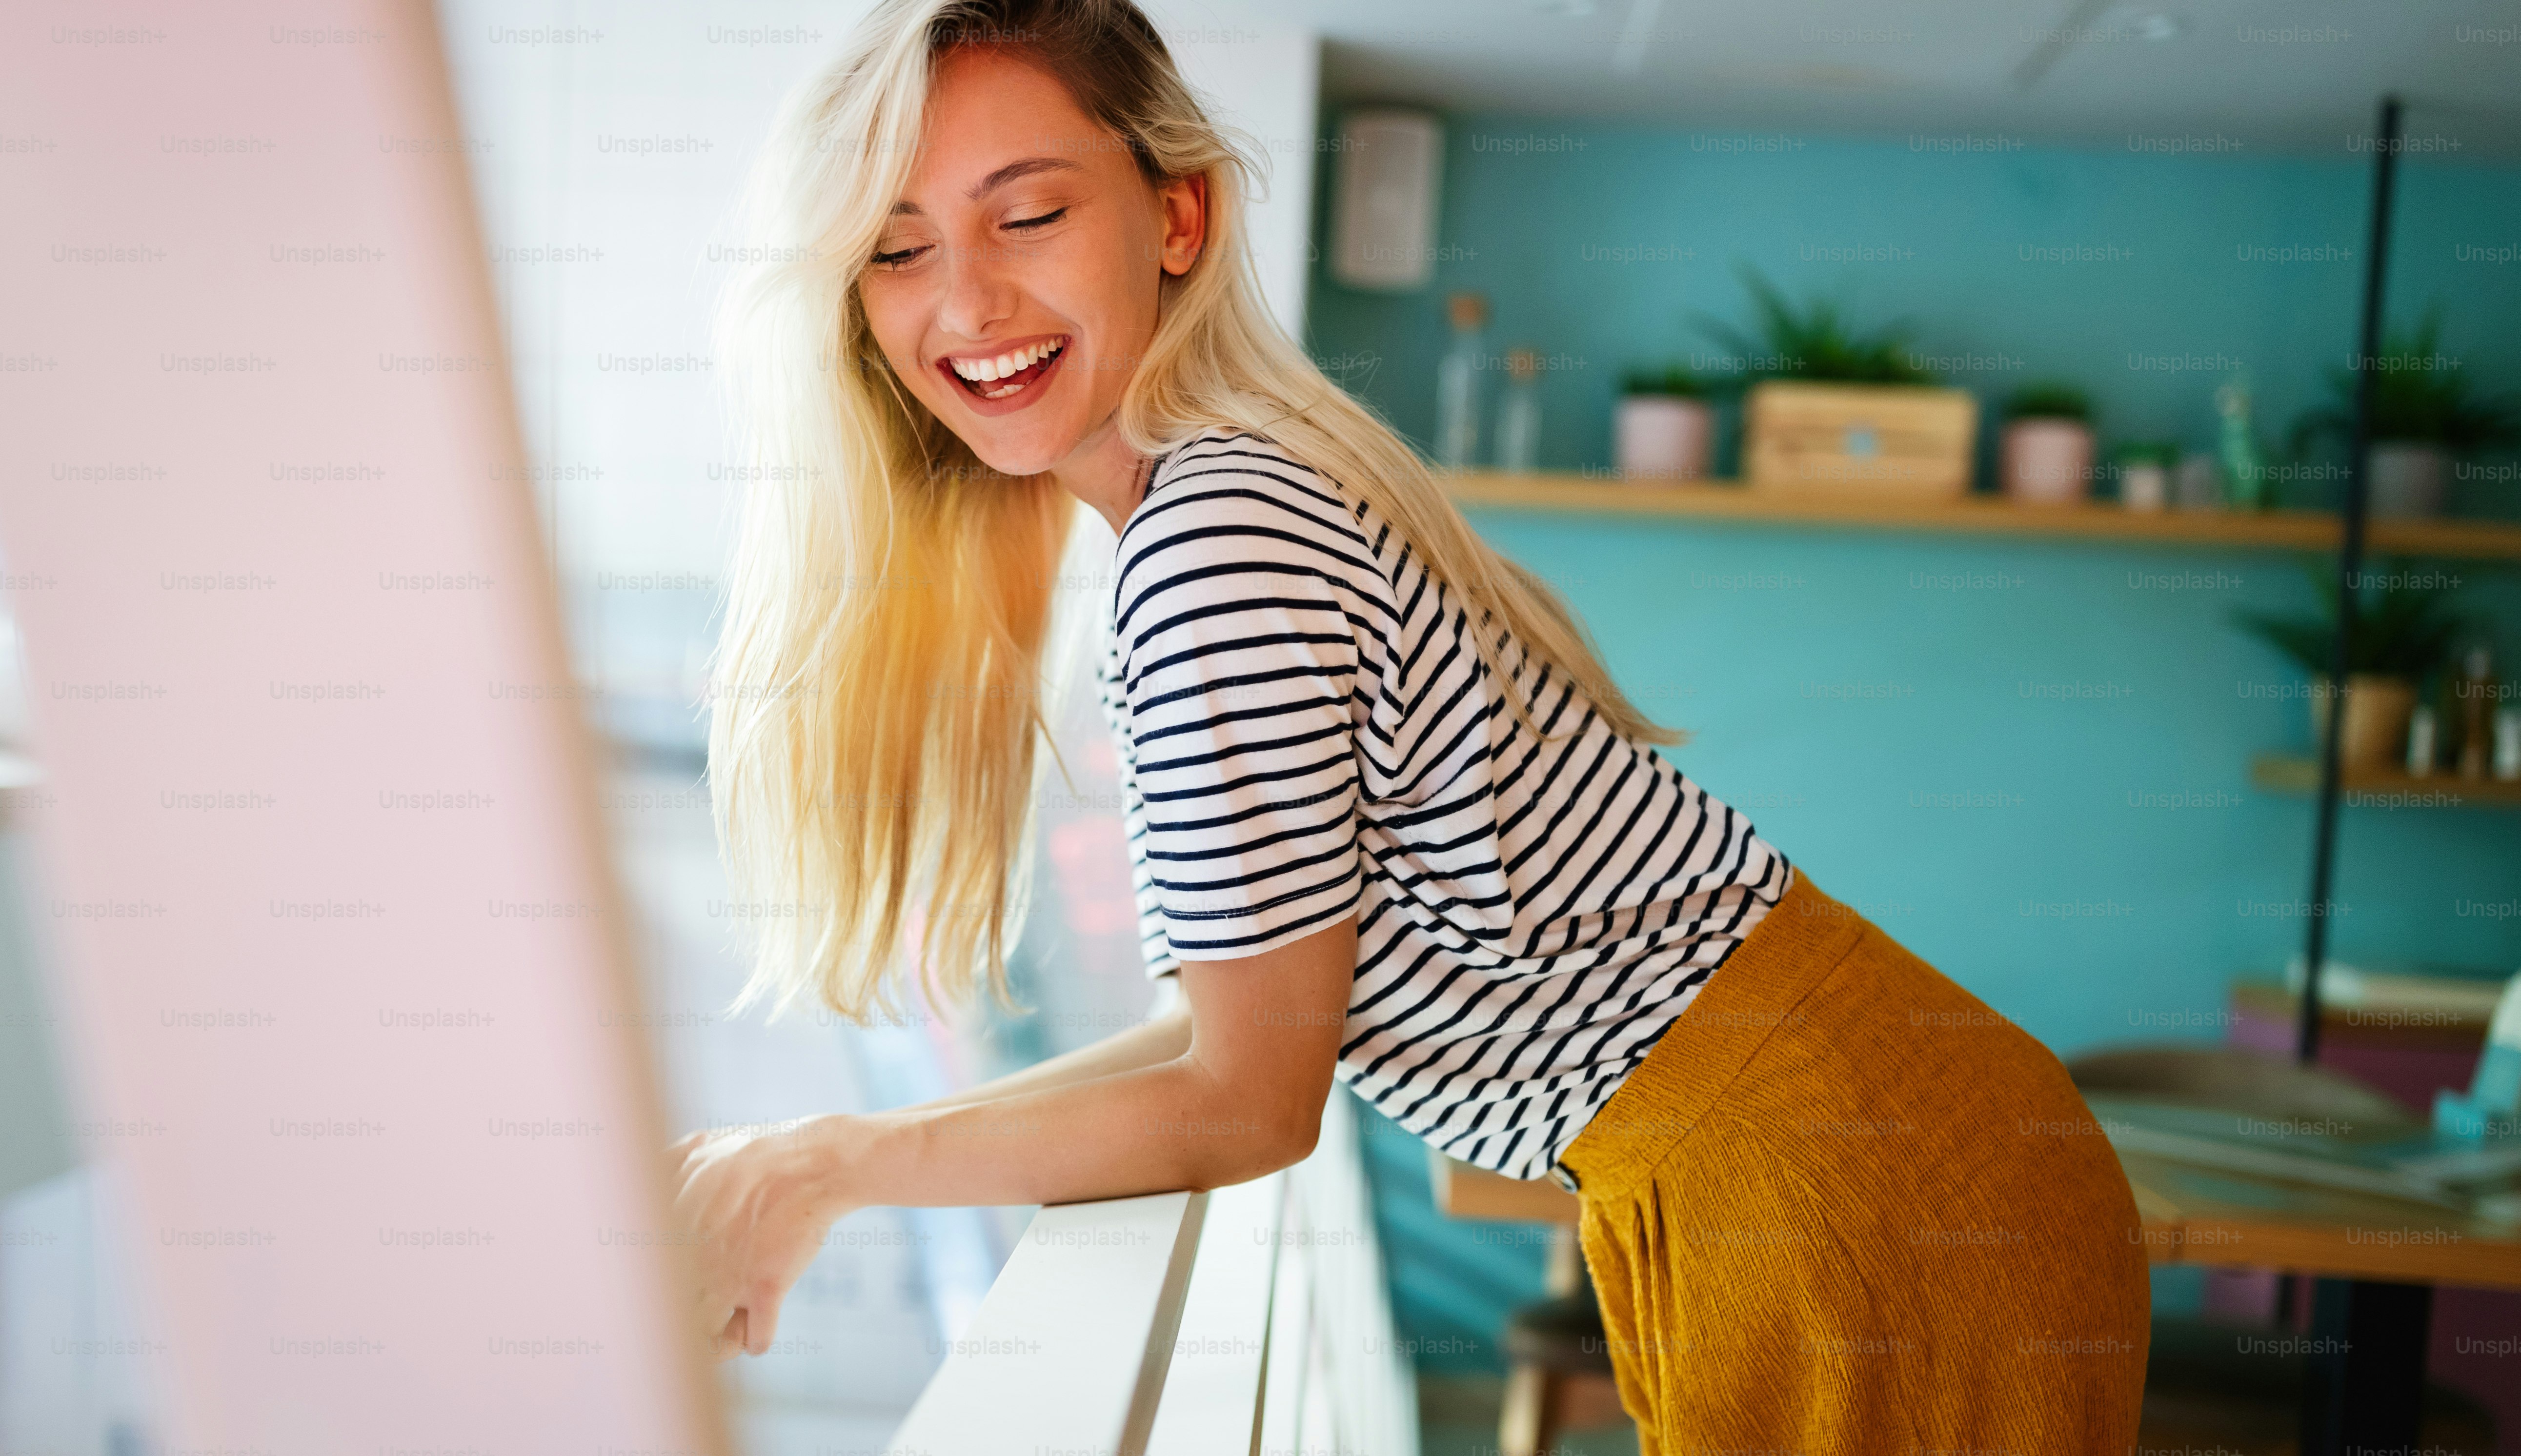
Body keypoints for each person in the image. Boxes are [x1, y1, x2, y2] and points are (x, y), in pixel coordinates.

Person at [670, 0, 2150, 1447]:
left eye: (1028, 214)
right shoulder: (1232, 489)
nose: (968, 302)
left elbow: (1246, 1099)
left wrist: (833, 1168)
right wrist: (835, 1159)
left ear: (1175, 216)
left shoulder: (1211, 544)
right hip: (1855, 1153)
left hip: (1839, 1195)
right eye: (898, 246)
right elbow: (1230, 1020)